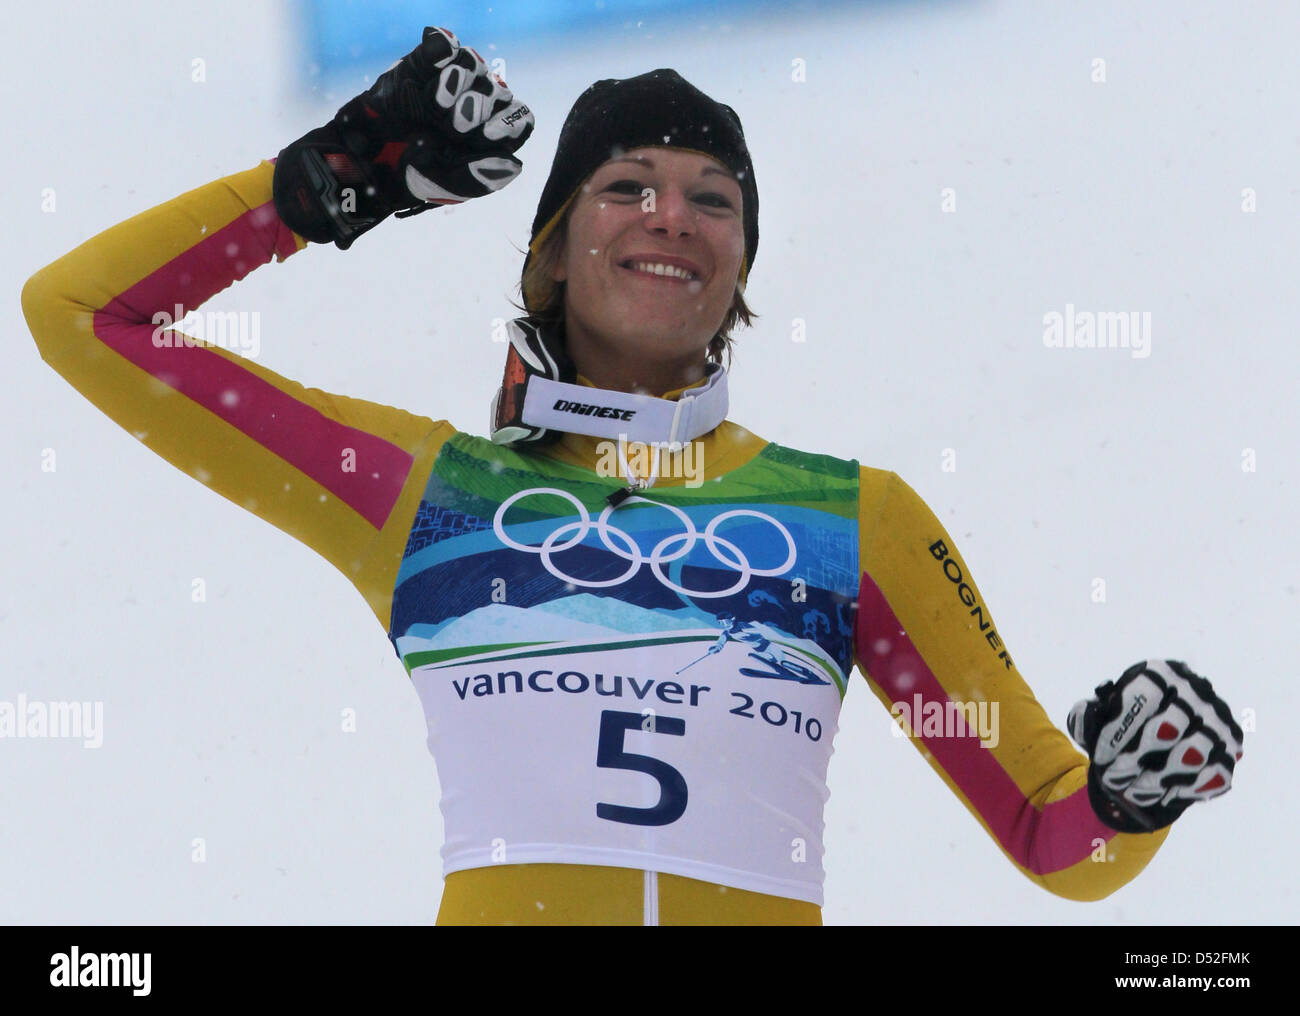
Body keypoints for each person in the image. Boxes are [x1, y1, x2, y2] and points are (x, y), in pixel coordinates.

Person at [22, 26, 1243, 926]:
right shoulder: (419, 488)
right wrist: (334, 185)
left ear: (741, 268)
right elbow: (81, 315)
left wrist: (1129, 804)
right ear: (552, 253)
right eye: (626, 188)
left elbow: (1050, 833)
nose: (673, 216)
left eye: (714, 201)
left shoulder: (851, 518)